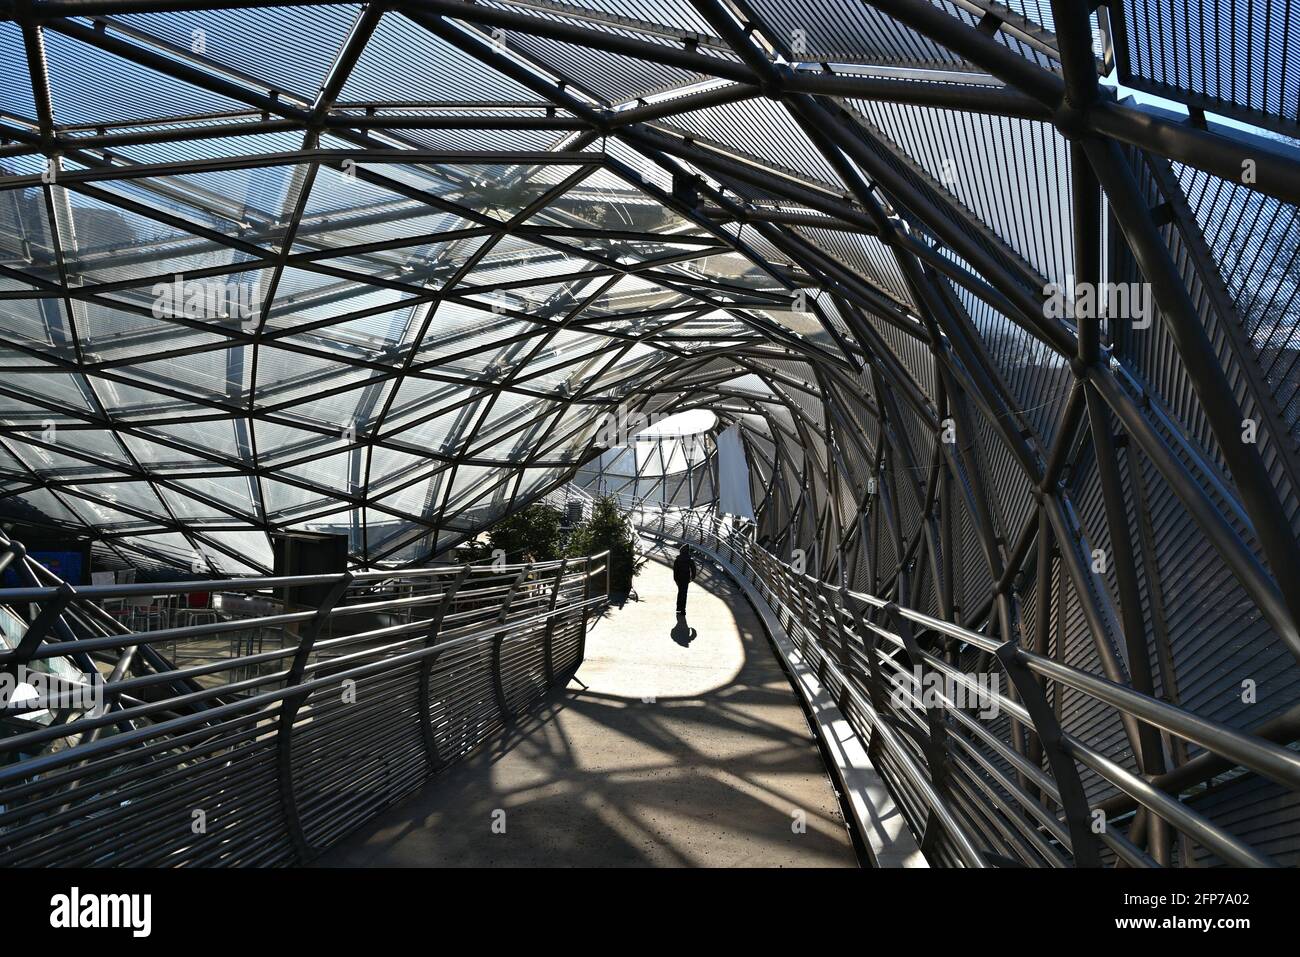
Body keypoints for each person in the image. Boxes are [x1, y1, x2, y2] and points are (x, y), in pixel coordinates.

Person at [672, 546, 697, 616]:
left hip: (679, 578)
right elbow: (693, 569)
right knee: (684, 593)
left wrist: (675, 579)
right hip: (686, 578)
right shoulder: (690, 559)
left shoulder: (677, 560)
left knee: (680, 593)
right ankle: (683, 610)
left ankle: (679, 608)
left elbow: (675, 570)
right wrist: (692, 577)